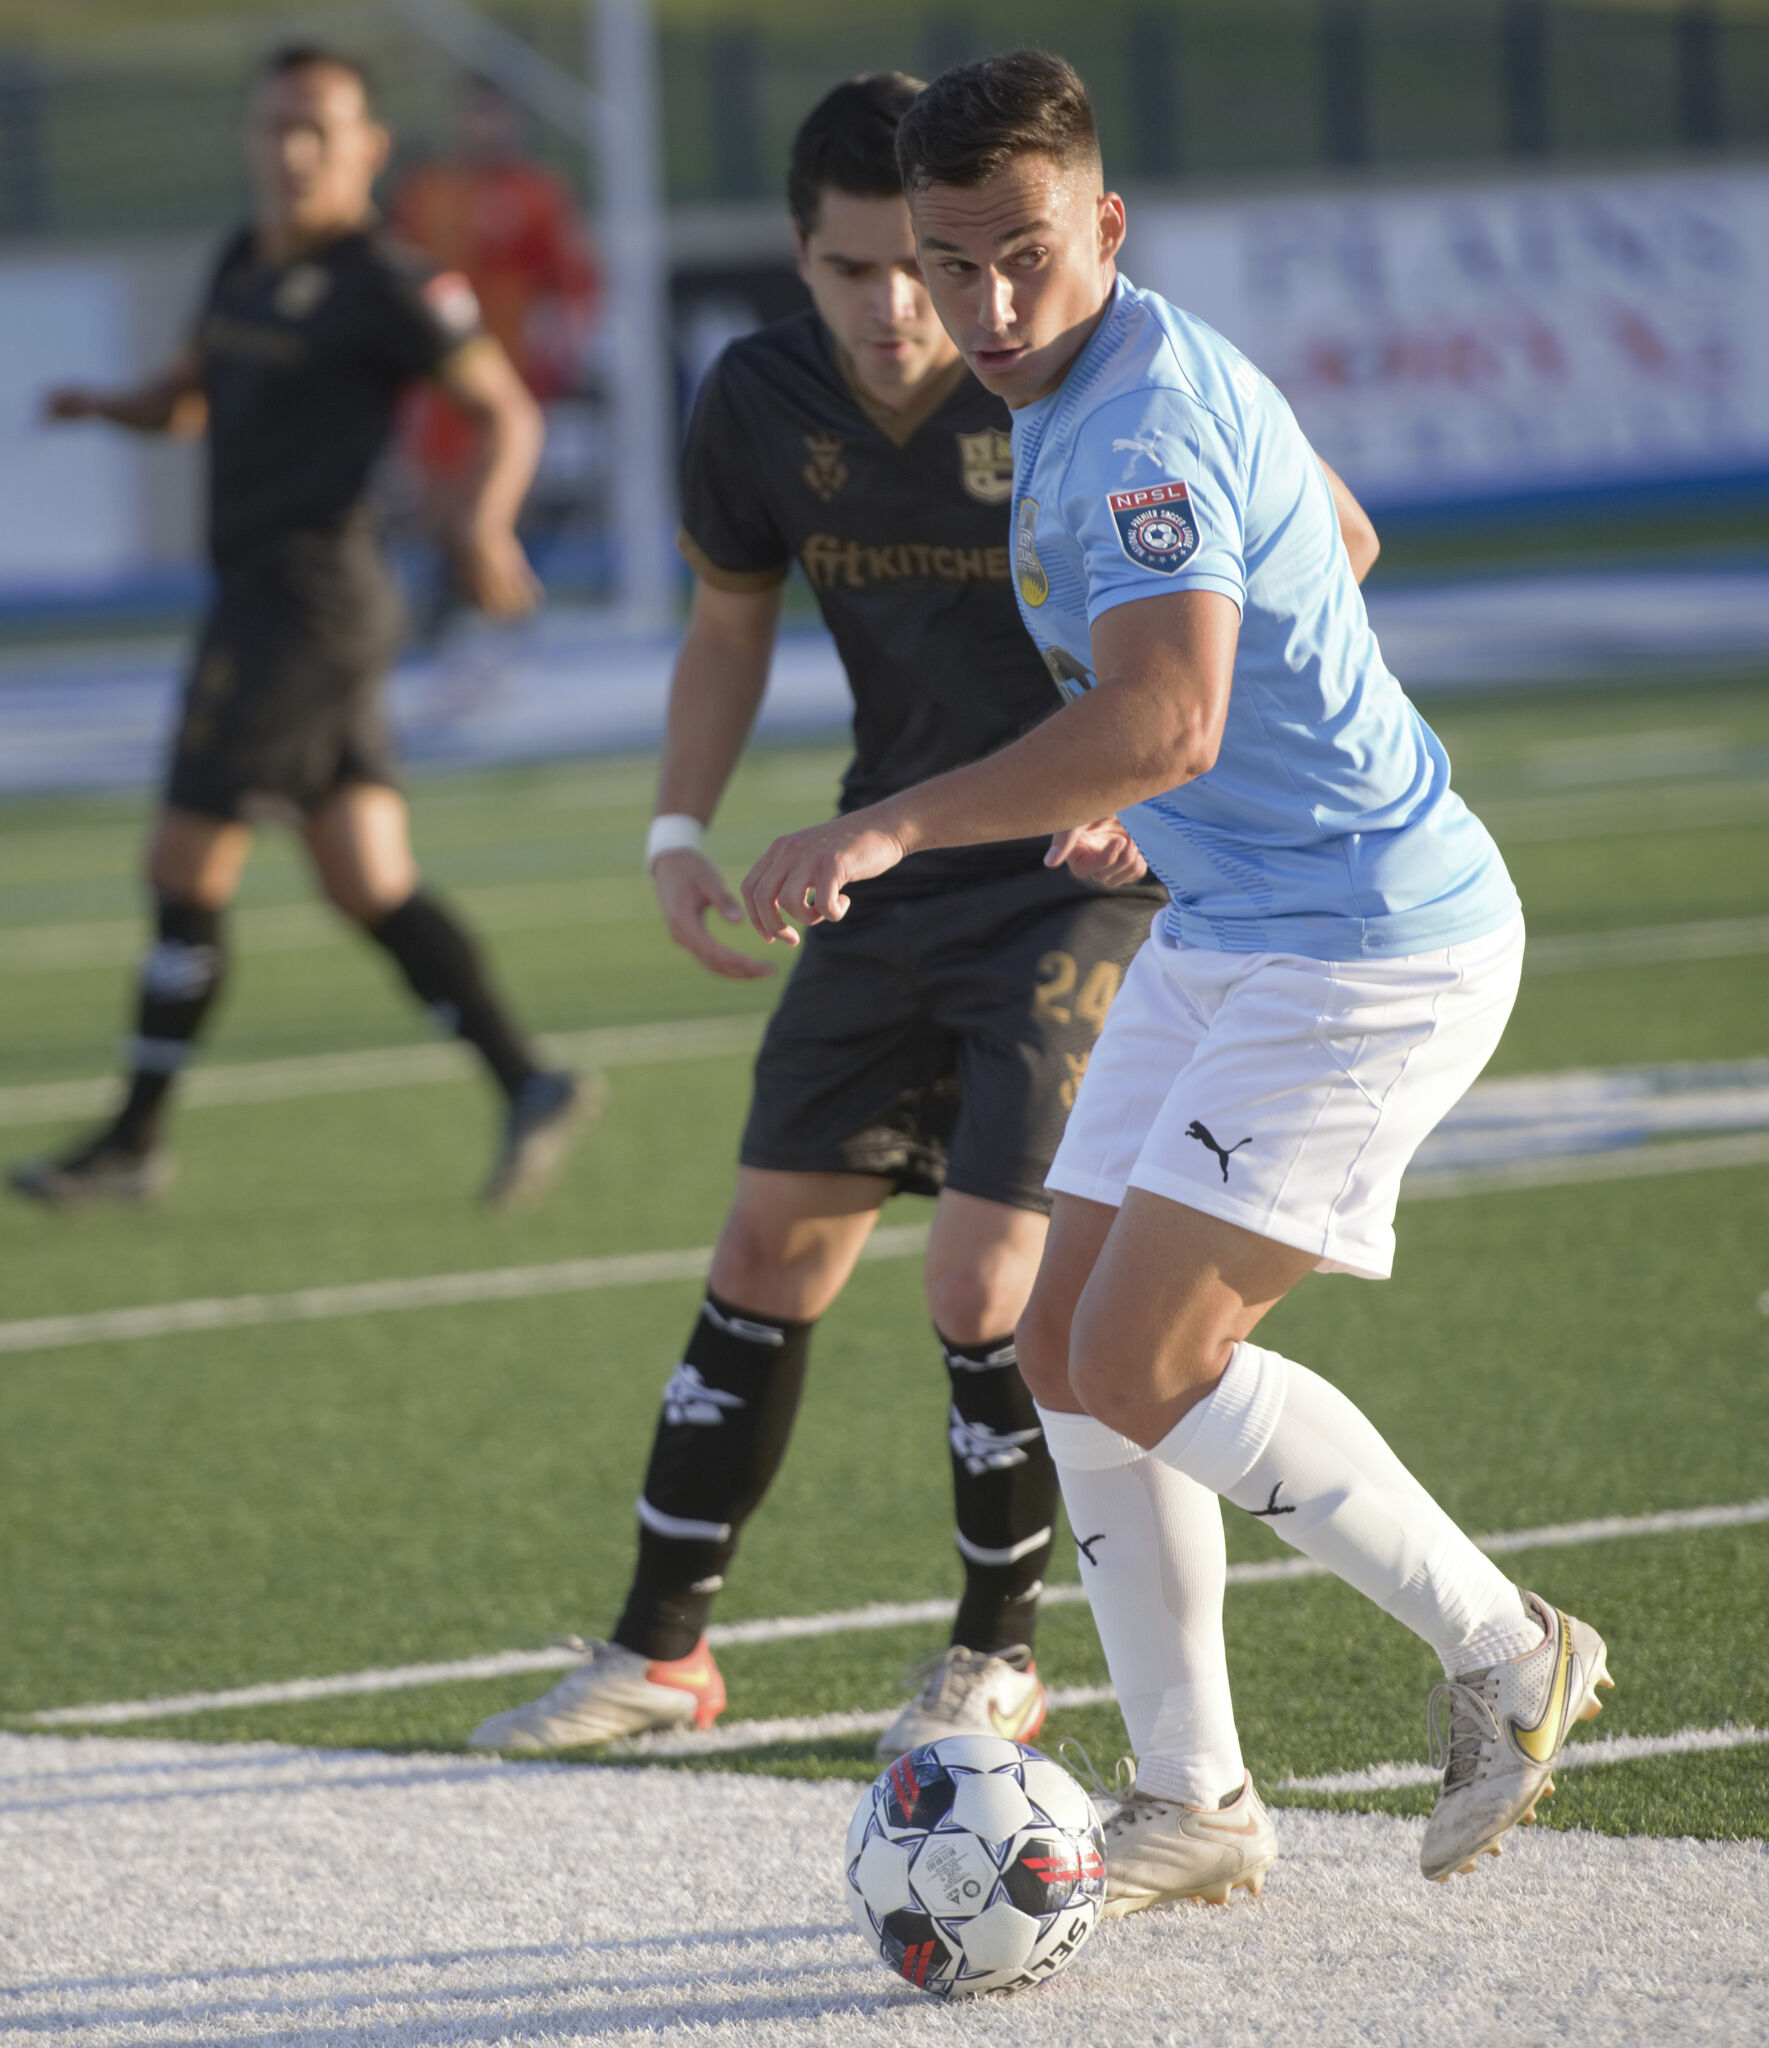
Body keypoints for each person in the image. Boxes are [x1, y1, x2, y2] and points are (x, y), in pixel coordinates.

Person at [739, 51, 1611, 1909]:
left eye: (1018, 258)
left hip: (1367, 945)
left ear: (1102, 228)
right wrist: (1169, 796)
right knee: (1055, 1343)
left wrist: (901, 822)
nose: (976, 305)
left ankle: (1503, 1647)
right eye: (942, 261)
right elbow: (1338, 547)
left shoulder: (1125, 420)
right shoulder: (1124, 367)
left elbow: (1165, 706)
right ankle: (1194, 1797)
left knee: (1144, 1357)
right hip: (1236, 921)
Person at [470, 73, 1175, 1758]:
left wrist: (1150, 782)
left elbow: (1308, 555)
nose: (893, 307)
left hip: (1083, 884)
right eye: (851, 270)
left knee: (977, 1272)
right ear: (795, 258)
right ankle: (660, 1652)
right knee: (766, 1245)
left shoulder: (1105, 382)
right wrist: (670, 828)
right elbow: (727, 626)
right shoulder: (756, 399)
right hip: (883, 865)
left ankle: (996, 1649)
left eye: (914, 268)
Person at [8, 46, 591, 1212]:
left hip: (305, 607)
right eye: (276, 127)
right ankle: (528, 1077)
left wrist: (481, 529)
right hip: (270, 604)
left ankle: (132, 1138)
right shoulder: (238, 258)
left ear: (369, 148)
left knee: (182, 860)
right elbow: (184, 398)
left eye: (320, 131)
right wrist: (95, 405)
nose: (292, 152)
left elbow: (506, 413)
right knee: (365, 875)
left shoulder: (389, 278)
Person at [390, 76, 599, 608]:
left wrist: (562, 347)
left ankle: (491, 610)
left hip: (511, 370)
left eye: (492, 116)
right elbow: (395, 271)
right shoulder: (427, 192)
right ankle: (454, 602)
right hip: (440, 373)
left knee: (499, 493)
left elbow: (573, 281)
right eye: (473, 115)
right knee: (438, 498)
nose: (482, 128)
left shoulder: (538, 194)